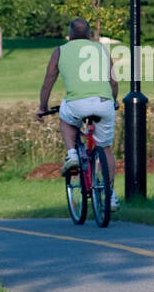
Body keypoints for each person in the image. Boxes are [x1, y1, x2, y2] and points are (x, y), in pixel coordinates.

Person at [36, 18, 120, 209]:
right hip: (103, 103)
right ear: (89, 34)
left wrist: (43, 107)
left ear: (70, 33)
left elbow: (48, 81)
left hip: (77, 104)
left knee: (66, 120)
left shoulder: (60, 51)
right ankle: (110, 195)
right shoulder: (101, 50)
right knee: (105, 148)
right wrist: (113, 100)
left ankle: (72, 153)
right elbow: (113, 82)